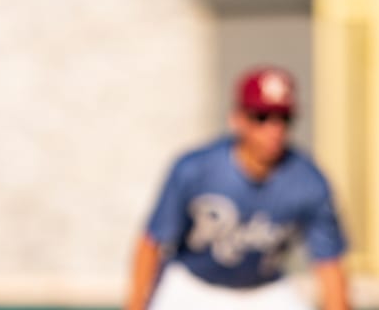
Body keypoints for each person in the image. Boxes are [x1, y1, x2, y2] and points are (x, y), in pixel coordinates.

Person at [124, 66, 350, 310]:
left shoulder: (308, 181)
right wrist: (136, 305)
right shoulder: (196, 169)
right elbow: (151, 242)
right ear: (237, 119)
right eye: (261, 117)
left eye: (283, 118)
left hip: (263, 290)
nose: (274, 130)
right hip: (192, 285)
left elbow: (329, 264)